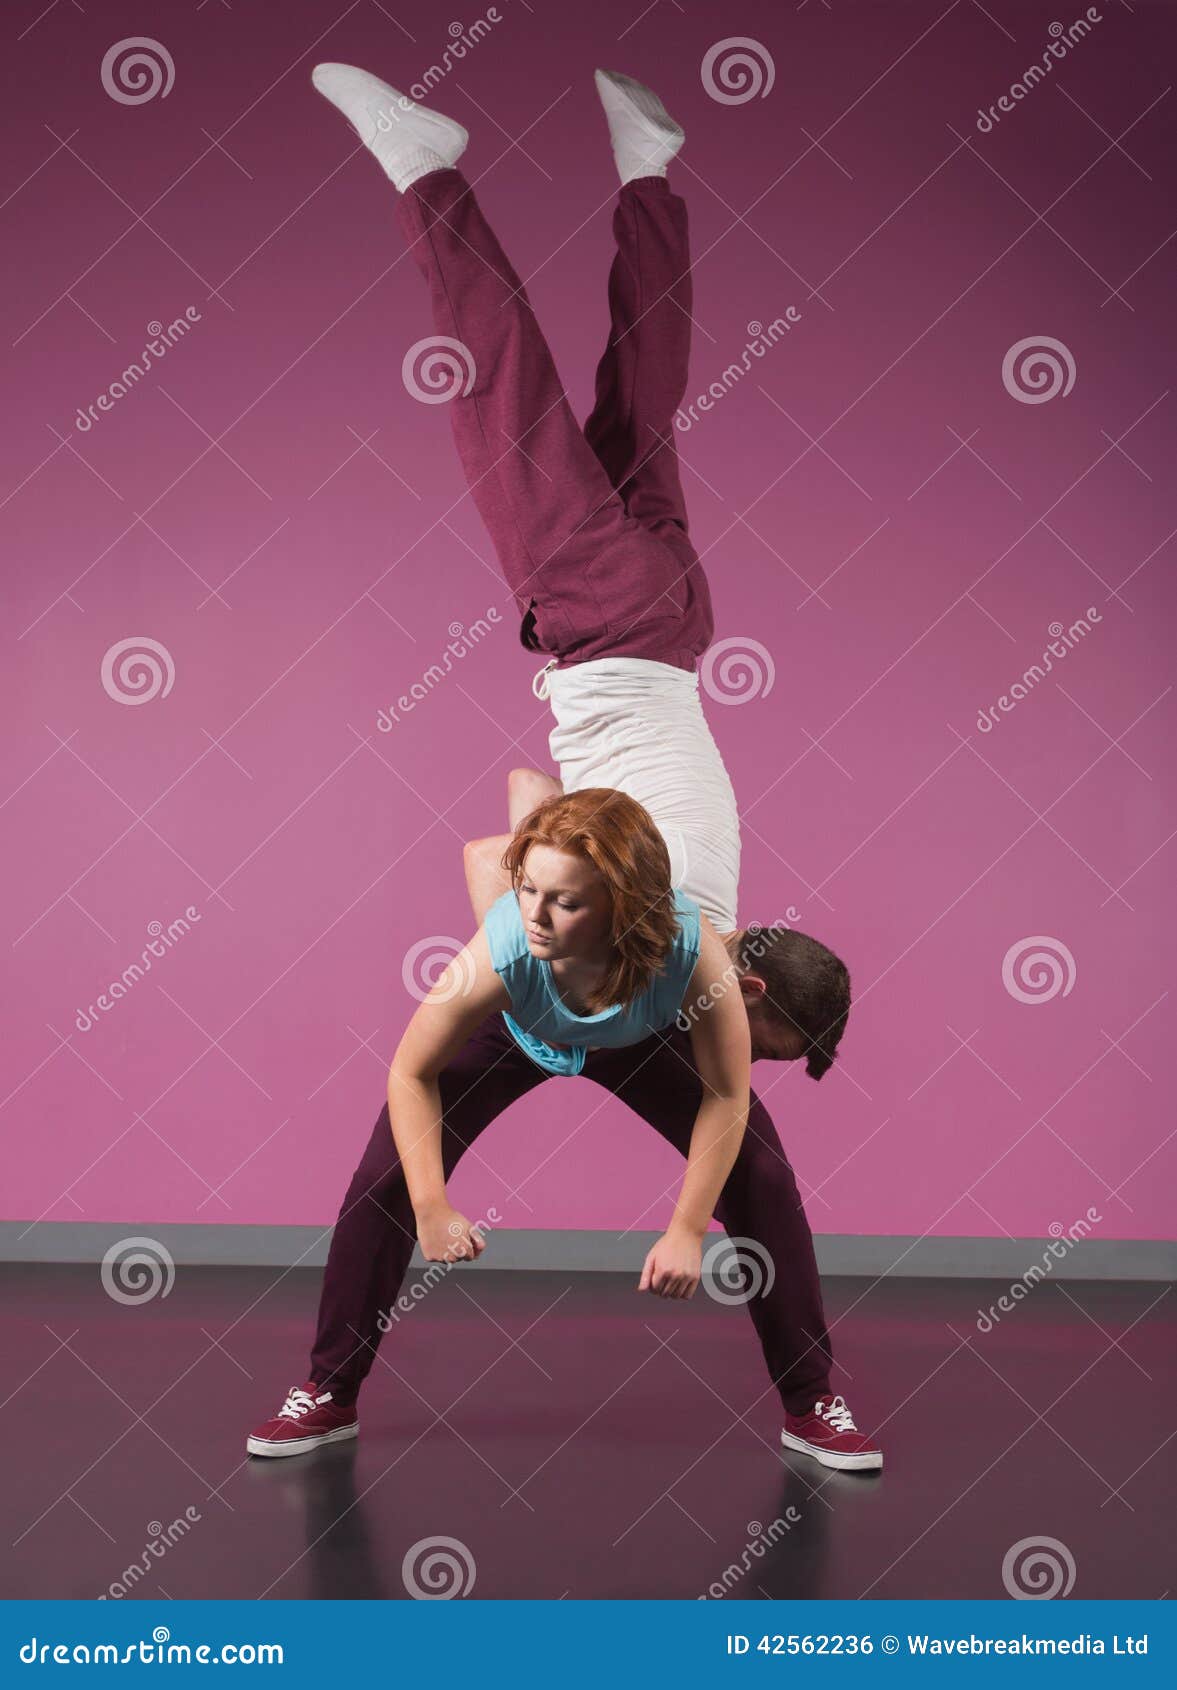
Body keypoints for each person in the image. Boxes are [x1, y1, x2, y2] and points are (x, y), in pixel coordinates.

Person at [245, 66, 881, 1472]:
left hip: (666, 619)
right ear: (748, 984)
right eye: (784, 1038)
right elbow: (517, 859)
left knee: (636, 398)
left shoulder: (673, 952)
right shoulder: (599, 946)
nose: (771, 1058)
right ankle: (429, 171)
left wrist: (677, 1222)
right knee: (501, 393)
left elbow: (531, 834)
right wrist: (432, 1198)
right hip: (604, 615)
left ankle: (652, 177)